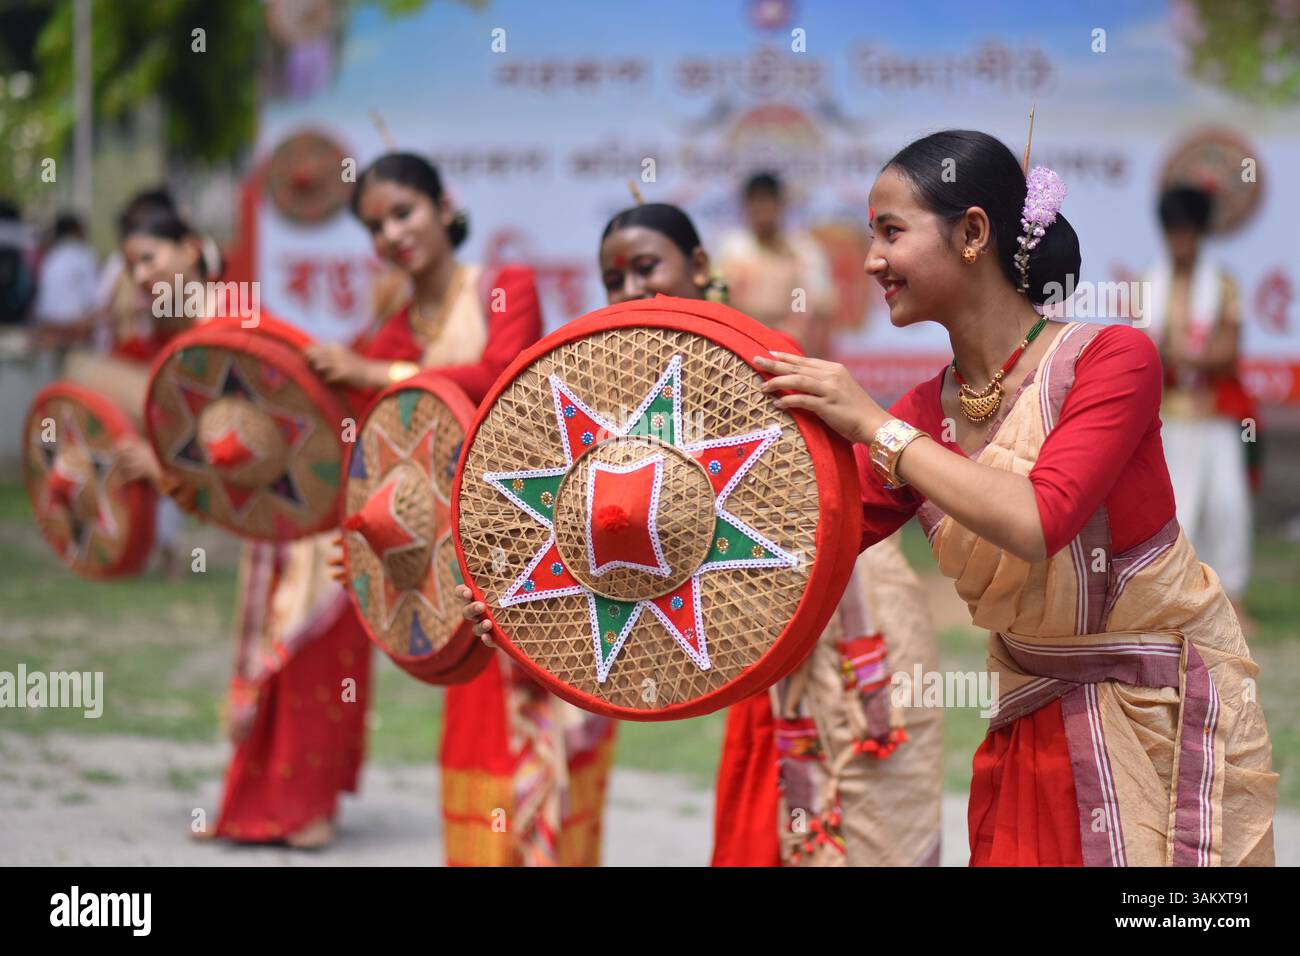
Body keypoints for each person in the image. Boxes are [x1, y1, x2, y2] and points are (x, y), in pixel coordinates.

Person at [747, 130, 1275, 865]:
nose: (871, 261)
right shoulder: (924, 416)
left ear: (972, 233)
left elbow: (1039, 518)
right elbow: (806, 536)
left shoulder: (1109, 360)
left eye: (891, 233)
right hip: (1031, 728)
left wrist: (872, 425)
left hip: (1163, 724)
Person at [464, 201, 944, 867]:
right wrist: (522, 611)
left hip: (843, 593)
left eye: (645, 267)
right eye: (613, 278)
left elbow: (814, 508)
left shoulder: (768, 364)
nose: (630, 289)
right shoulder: (601, 389)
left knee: (856, 787)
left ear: (697, 266)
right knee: (763, 802)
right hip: (745, 626)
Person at [314, 152, 614, 866]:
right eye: (375, 226)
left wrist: (379, 373)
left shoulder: (502, 289)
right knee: (476, 727)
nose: (391, 234)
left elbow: (501, 377)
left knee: (553, 719)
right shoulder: (391, 324)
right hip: (450, 567)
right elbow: (367, 428)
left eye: (403, 212)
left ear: (445, 206)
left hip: (532, 538)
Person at [113, 204, 372, 849]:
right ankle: (261, 805)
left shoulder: (238, 323)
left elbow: (315, 403)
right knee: (273, 658)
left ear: (194, 250)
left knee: (310, 656)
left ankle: (306, 808)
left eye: (151, 257)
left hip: (321, 506)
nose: (142, 274)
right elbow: (222, 476)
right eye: (130, 266)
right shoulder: (185, 346)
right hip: (275, 518)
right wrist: (165, 472)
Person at [1140, 186, 1254, 618]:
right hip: (1167, 415)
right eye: (1173, 233)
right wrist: (1168, 354)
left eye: (1186, 233)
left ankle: (1234, 600)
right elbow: (1142, 353)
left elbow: (1228, 355)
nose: (1179, 243)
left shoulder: (1222, 285)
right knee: (1176, 510)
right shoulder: (1148, 283)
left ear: (1200, 233)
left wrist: (1180, 353)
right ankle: (1176, 603)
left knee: (1227, 506)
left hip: (1213, 414)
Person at [717, 172, 837, 358]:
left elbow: (820, 305)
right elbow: (720, 301)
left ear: (780, 205)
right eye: (756, 204)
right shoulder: (734, 250)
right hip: (742, 346)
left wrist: (794, 326)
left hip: (791, 345)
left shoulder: (802, 249)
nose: (762, 211)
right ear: (746, 206)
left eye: (767, 203)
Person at [31, 213, 99, 348]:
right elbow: (94, 298)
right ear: (76, 230)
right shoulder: (84, 254)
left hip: (45, 323)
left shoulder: (51, 254)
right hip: (71, 327)